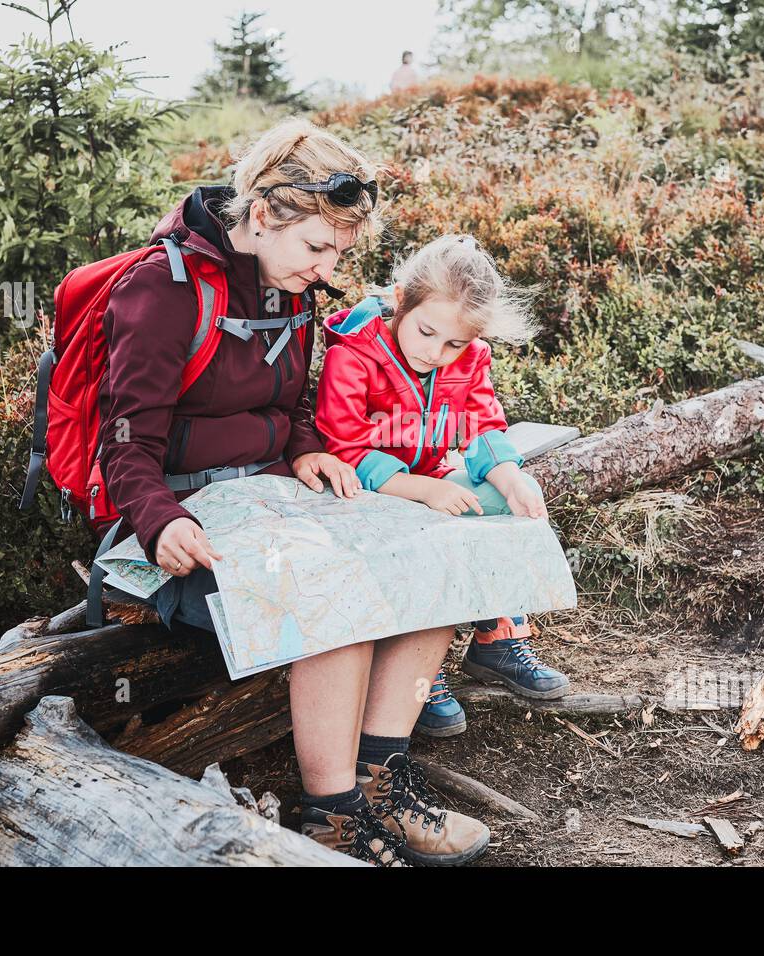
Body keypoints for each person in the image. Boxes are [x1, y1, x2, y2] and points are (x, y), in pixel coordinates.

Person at [96, 120, 486, 866]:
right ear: (265, 214)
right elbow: (126, 439)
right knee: (331, 581)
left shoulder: (288, 287)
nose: (327, 268)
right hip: (184, 523)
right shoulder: (161, 289)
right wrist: (157, 520)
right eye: (318, 247)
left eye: (340, 252)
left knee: (438, 546)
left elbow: (291, 410)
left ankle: (382, 781)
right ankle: (333, 817)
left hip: (274, 500)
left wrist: (306, 451)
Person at [315, 234, 571, 747]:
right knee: (412, 541)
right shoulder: (355, 354)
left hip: (430, 482)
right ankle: (415, 670)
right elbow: (343, 445)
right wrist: (422, 491)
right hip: (361, 498)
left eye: (454, 344)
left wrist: (512, 478)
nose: (436, 354)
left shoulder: (469, 357)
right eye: (427, 333)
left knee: (501, 501)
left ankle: (495, 636)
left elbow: (480, 427)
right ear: (400, 300)